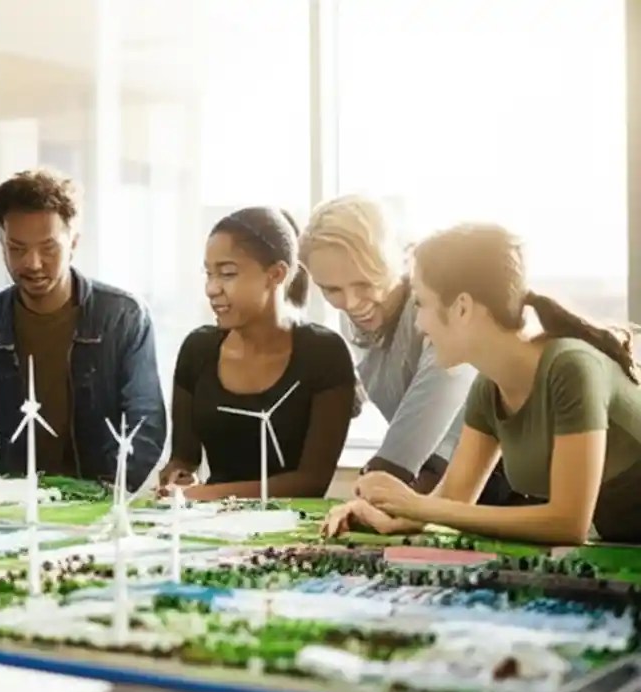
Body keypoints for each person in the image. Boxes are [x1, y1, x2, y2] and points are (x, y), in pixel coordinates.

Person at [323, 223, 641, 545]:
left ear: (462, 307)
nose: (418, 324)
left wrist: (418, 506)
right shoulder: (488, 388)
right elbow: (452, 503)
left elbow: (567, 523)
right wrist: (384, 515)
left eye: (420, 303)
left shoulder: (570, 367)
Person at [0, 169, 166, 489]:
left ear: (74, 242)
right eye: (17, 248)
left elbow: (145, 423)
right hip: (14, 504)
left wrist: (110, 493)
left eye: (48, 248)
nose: (33, 263)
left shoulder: (124, 317)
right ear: (1, 243)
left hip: (102, 498)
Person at [299, 194, 520, 504]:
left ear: (404, 259)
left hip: (507, 485)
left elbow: (406, 453)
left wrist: (371, 492)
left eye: (365, 283)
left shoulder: (440, 312)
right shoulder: (360, 317)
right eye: (330, 289)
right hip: (441, 485)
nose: (349, 303)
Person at [157, 207, 357, 502]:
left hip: (290, 531)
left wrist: (205, 495)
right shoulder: (197, 350)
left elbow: (310, 482)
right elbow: (184, 457)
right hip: (209, 526)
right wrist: (178, 478)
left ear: (275, 274)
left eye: (227, 274)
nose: (212, 288)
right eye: (208, 274)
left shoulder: (324, 354)